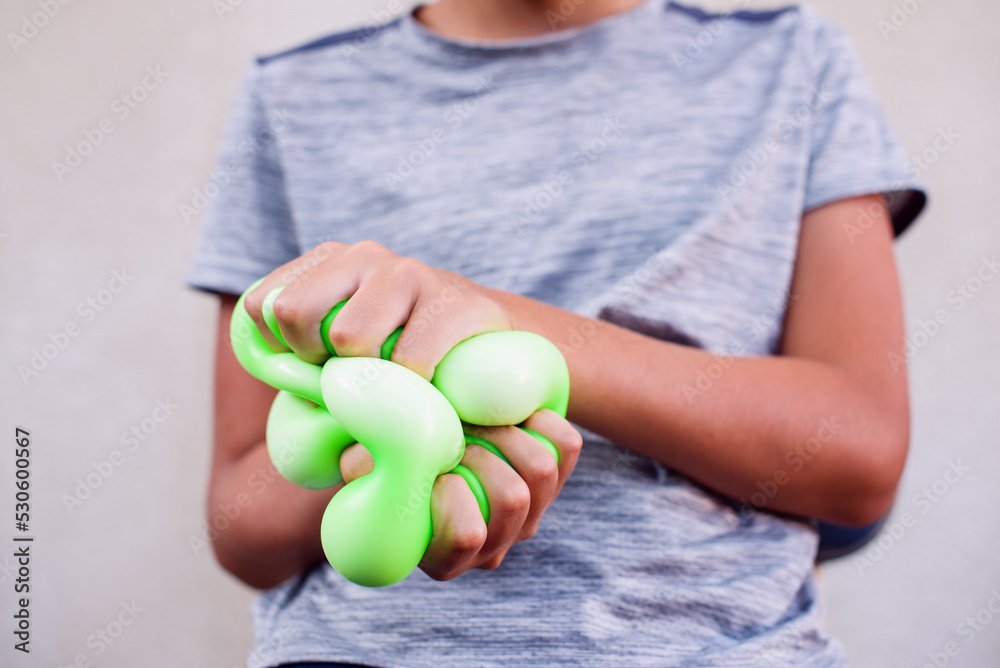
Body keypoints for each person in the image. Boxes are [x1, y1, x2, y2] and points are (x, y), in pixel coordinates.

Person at [185, 0, 927, 665]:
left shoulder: (797, 63)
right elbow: (240, 528)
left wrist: (507, 329)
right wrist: (403, 436)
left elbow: (860, 457)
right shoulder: (294, 95)